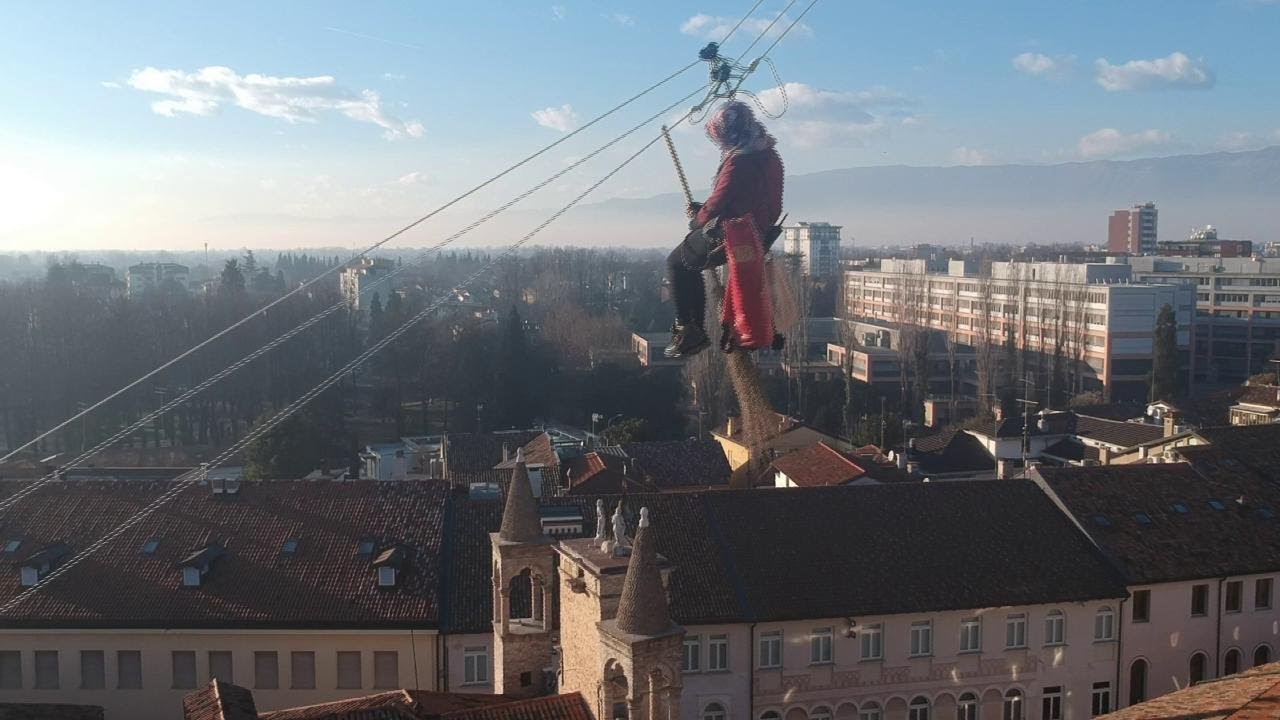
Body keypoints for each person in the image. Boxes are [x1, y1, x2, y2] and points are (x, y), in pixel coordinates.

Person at [665, 100, 785, 358]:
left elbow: (719, 201)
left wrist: (698, 219)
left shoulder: (740, 161)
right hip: (759, 232)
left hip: (733, 233)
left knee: (678, 263)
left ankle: (689, 329)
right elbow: (763, 198)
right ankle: (692, 329)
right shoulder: (769, 154)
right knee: (689, 265)